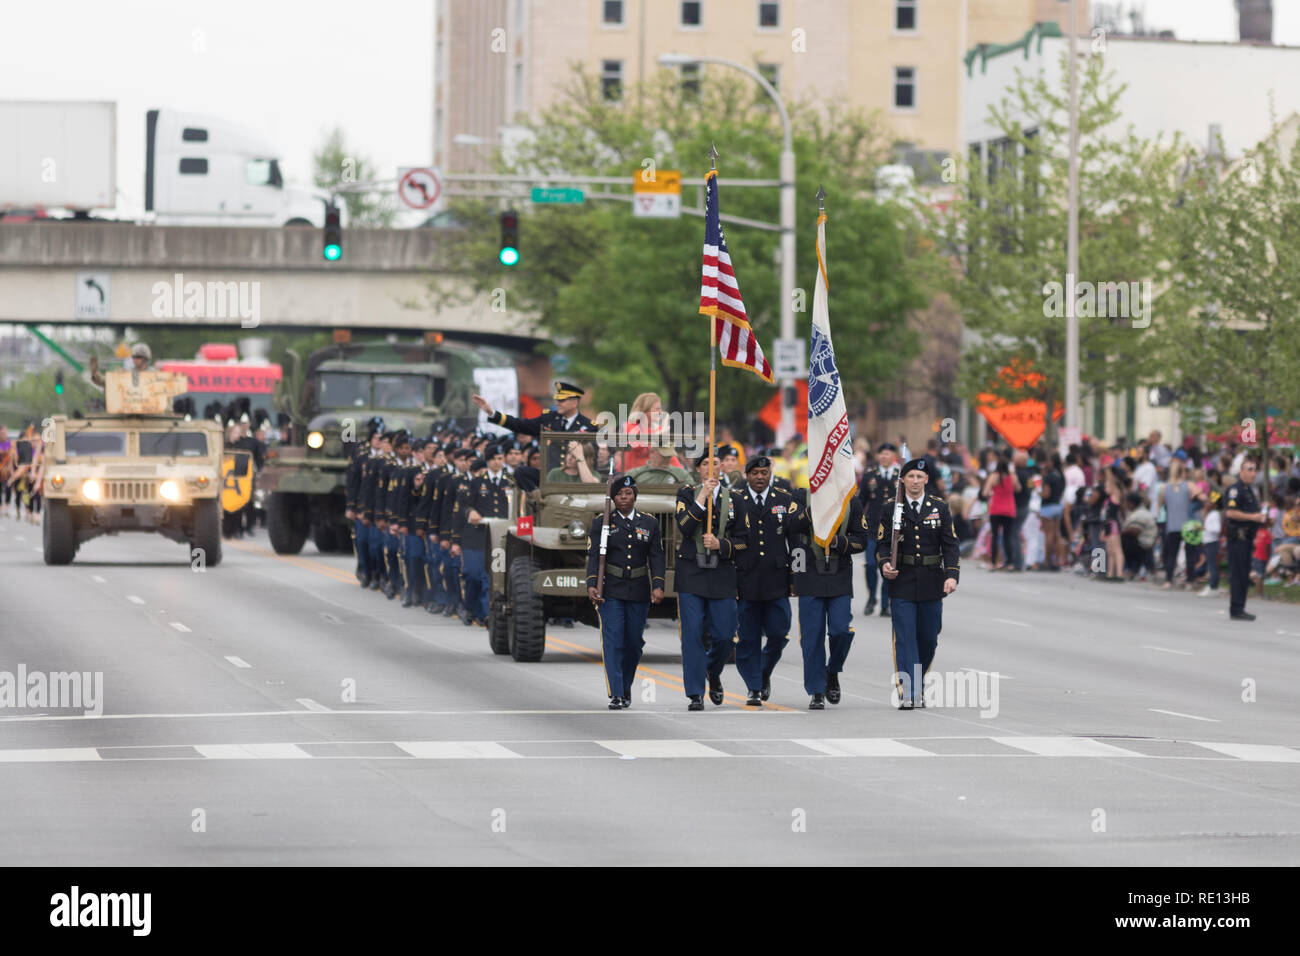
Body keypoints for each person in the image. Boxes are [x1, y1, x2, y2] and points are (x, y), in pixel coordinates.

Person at [674, 446, 751, 711]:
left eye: (716, 463)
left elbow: (744, 542)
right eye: (705, 463)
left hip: (722, 573)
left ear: (722, 467)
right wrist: (703, 495)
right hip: (692, 573)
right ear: (698, 469)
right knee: (693, 634)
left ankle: (712, 671)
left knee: (725, 636)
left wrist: (722, 545)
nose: (711, 467)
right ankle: (695, 692)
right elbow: (684, 526)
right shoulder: (686, 493)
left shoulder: (736, 499)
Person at [878, 457, 959, 709]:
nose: (915, 481)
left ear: (927, 480)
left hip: (931, 580)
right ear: (902, 479)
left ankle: (917, 680)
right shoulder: (891, 507)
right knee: (904, 637)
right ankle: (908, 690)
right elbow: (881, 544)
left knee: (928, 638)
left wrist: (952, 575)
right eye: (910, 476)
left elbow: (950, 545)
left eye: (919, 477)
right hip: (902, 579)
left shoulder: (939, 508)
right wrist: (884, 564)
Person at [586, 475, 666, 709]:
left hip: (639, 589)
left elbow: (657, 556)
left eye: (628, 494)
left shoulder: (649, 523)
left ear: (634, 496)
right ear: (613, 497)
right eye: (619, 494)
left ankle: (625, 686)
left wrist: (658, 584)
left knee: (633, 643)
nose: (624, 498)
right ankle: (616, 693)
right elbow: (593, 556)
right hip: (610, 589)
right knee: (613, 641)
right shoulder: (602, 522)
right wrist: (592, 582)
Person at [787, 486, 868, 710]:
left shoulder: (851, 500)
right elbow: (791, 528)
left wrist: (838, 543)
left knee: (840, 631)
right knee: (811, 638)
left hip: (838, 575)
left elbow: (862, 540)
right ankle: (816, 690)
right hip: (809, 575)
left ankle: (832, 670)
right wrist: (795, 575)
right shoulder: (801, 497)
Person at [735, 453, 797, 705]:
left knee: (780, 632)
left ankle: (763, 671)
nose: (760, 477)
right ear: (746, 475)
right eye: (755, 473)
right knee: (747, 638)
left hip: (777, 578)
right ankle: (753, 687)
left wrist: (796, 578)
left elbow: (795, 543)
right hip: (746, 579)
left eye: (764, 473)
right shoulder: (736, 500)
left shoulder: (784, 499)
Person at [857, 442, 899, 616]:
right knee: (871, 565)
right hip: (873, 528)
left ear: (893, 456)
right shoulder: (870, 476)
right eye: (881, 454)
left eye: (888, 454)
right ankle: (871, 597)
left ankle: (885, 603)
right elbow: (861, 502)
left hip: (894, 530)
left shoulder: (901, 475)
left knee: (888, 567)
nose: (884, 457)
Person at [1224, 457, 1265, 621]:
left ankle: (1240, 606)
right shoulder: (1235, 490)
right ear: (1241, 472)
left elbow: (1253, 513)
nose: (1253, 473)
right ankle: (1236, 608)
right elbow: (1230, 513)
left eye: (1254, 470)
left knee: (1244, 573)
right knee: (1238, 573)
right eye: (1249, 470)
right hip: (1238, 537)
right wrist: (1253, 517)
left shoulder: (1250, 491)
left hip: (1248, 537)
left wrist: (1261, 518)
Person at [345, 417, 384, 587]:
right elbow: (353, 482)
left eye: (381, 438)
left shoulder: (387, 458)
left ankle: (377, 574)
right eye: (376, 438)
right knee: (362, 541)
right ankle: (365, 571)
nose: (378, 441)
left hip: (380, 507)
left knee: (376, 544)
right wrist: (351, 505)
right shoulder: (361, 456)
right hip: (363, 504)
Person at [1158, 459, 1203, 589]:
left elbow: (1161, 504)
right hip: (1188, 524)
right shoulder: (1188, 485)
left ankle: (1168, 580)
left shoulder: (1165, 487)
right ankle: (1190, 580)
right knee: (1190, 554)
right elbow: (1203, 496)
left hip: (1172, 524)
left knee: (1172, 553)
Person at [983, 455, 1019, 570]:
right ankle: (1010, 563)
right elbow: (1018, 489)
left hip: (996, 510)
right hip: (1009, 510)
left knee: (995, 536)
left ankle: (993, 563)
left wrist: (993, 493)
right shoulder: (1012, 477)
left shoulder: (993, 477)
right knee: (1007, 537)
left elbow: (985, 492)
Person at [1120, 491, 1157, 580]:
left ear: (1131, 503)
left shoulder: (1140, 514)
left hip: (1143, 544)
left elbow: (1134, 531)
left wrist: (1119, 532)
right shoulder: (1137, 512)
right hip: (1141, 542)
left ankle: (1130, 570)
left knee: (1122, 542)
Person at [1198, 490, 1224, 597]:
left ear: (1214, 504)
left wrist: (1205, 528)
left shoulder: (1215, 515)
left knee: (1212, 565)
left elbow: (1217, 529)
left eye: (1209, 502)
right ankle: (1212, 585)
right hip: (1208, 542)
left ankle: (1214, 587)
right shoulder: (1210, 514)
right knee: (1210, 565)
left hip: (1212, 542)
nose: (1206, 503)